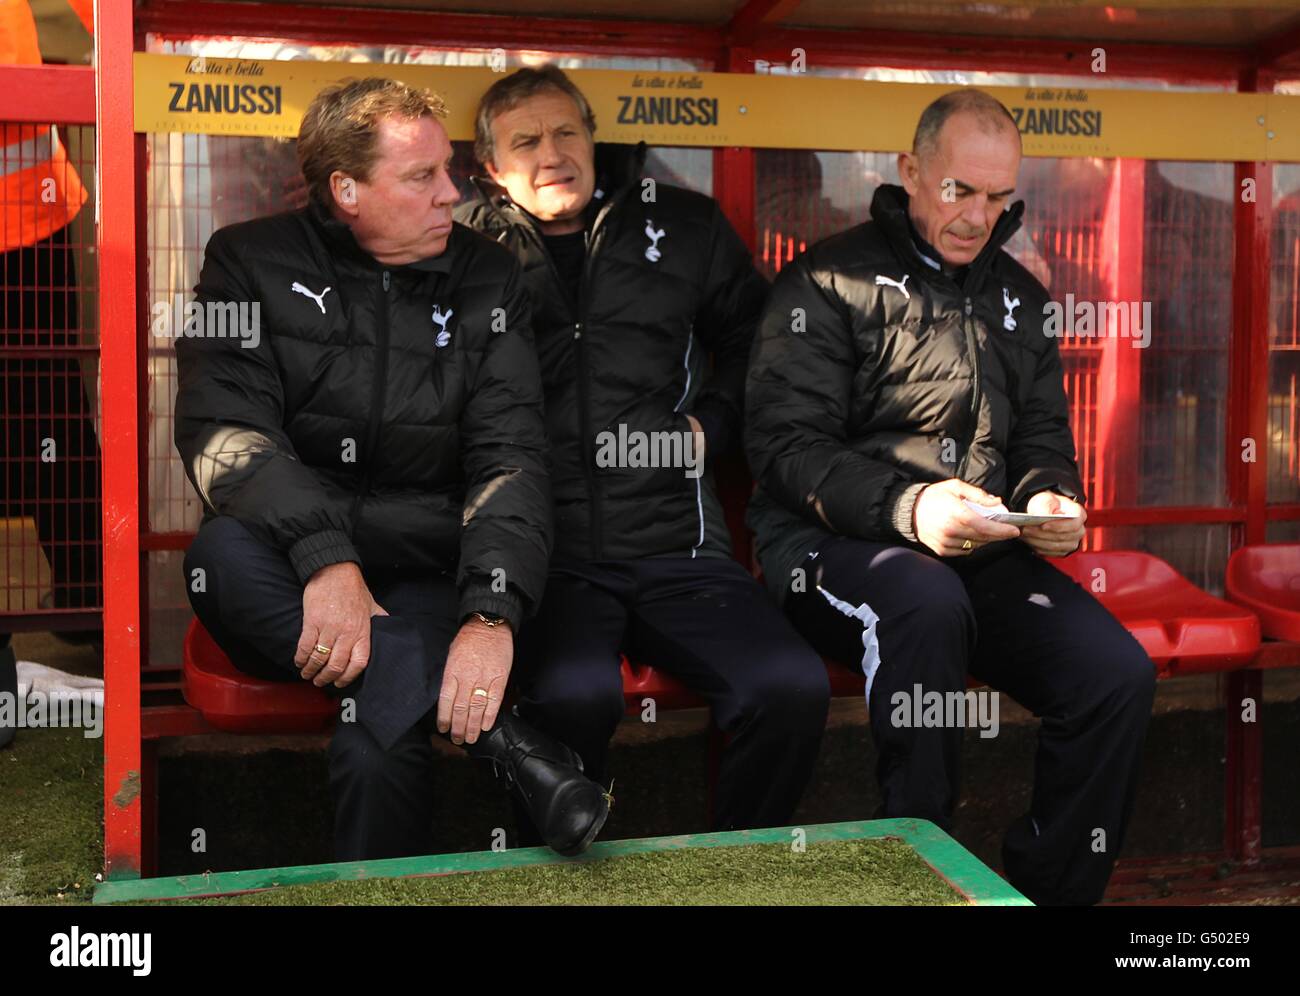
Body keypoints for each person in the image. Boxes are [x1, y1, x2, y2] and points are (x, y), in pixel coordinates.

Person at [175, 77, 610, 860]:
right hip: (287, 566)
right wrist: (328, 559)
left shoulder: (487, 276)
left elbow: (508, 458)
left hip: (424, 565)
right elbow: (224, 433)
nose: (451, 194)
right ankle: (511, 747)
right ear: (346, 189)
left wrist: (490, 615)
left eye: (448, 170)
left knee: (378, 735)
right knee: (219, 557)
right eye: (421, 178)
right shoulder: (247, 260)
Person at [745, 88, 1157, 905]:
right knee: (925, 601)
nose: (979, 215)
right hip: (830, 550)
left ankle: (1045, 894)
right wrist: (912, 509)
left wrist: (1049, 505)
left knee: (1118, 674)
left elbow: (1041, 444)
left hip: (978, 551)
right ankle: (918, 884)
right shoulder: (828, 280)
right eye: (959, 191)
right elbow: (784, 449)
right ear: (911, 172)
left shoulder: (1022, 298)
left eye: (1000, 196)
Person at [455, 65, 829, 841]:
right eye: (525, 142)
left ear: (594, 138)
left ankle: (731, 877)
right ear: (492, 167)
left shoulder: (684, 225)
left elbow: (762, 346)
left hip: (677, 544)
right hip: (546, 556)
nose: (551, 153)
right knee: (571, 698)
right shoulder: (464, 251)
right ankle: (557, 885)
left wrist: (715, 425)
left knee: (789, 686)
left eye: (566, 133)